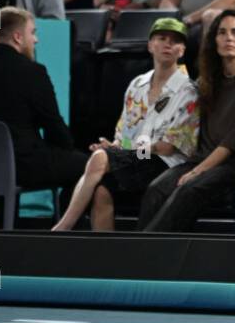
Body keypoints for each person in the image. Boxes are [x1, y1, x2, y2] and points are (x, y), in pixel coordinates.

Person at [137, 10, 235, 232]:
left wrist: (197, 171)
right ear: (214, 41)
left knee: (188, 190)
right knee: (157, 189)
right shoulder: (207, 80)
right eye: (222, 33)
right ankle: (142, 249)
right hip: (202, 157)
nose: (229, 38)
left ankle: (148, 255)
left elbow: (233, 142)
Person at [52, 18, 199, 231]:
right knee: (102, 190)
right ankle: (107, 260)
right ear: (150, 45)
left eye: (175, 41)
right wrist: (115, 146)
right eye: (162, 38)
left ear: (182, 50)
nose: (168, 44)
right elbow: (124, 135)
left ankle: (63, 227)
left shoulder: (189, 92)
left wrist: (122, 150)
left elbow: (170, 146)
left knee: (100, 157)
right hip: (136, 157)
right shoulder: (136, 85)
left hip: (165, 161)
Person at [0, 8, 86, 218]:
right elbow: (55, 128)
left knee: (6, 158)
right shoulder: (32, 72)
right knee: (89, 166)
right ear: (17, 37)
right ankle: (67, 237)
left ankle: (3, 231)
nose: (36, 40)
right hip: (22, 166)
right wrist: (66, 149)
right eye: (32, 32)